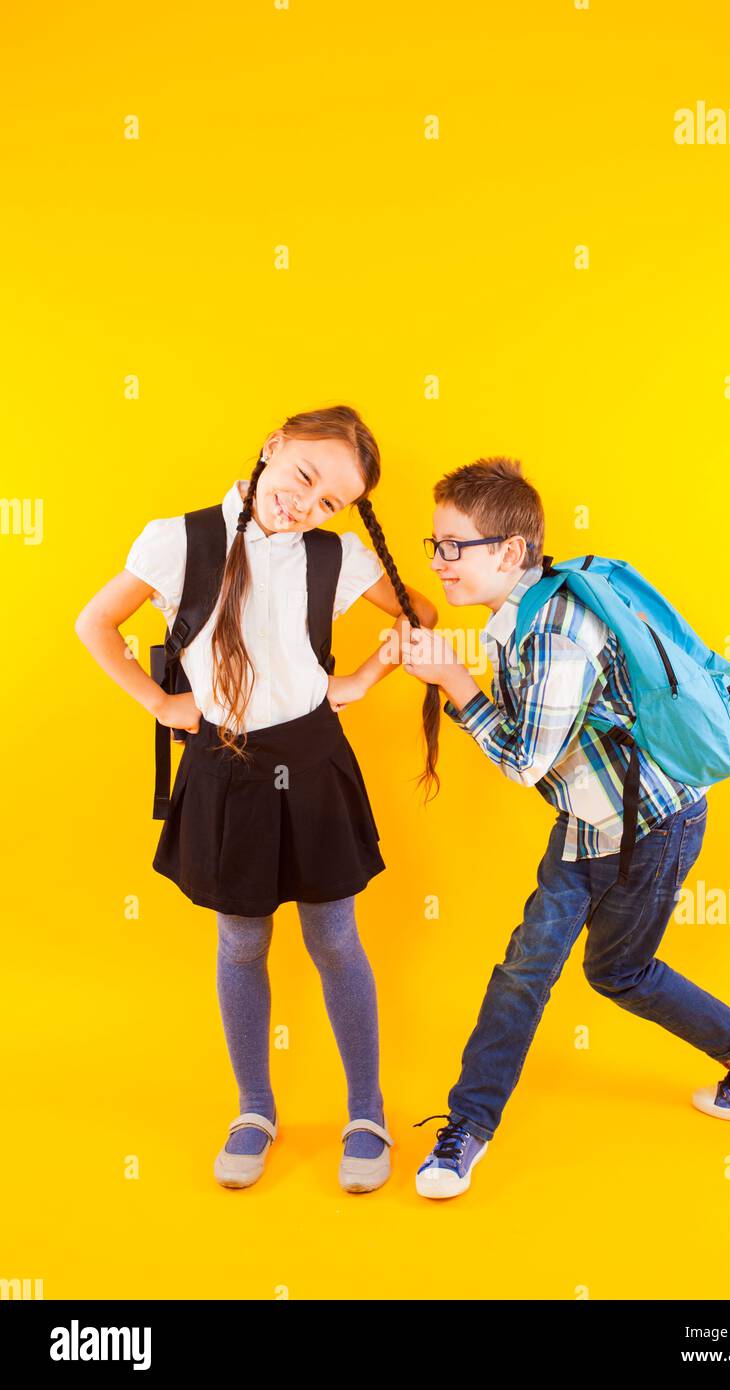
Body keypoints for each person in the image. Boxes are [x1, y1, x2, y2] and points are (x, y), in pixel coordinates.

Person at [402, 456, 730, 1199]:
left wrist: (455, 686)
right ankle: (467, 1130)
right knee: (525, 969)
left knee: (616, 972)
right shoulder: (522, 612)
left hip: (651, 827)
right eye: (434, 544)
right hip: (588, 825)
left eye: (454, 545)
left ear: (512, 550)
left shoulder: (555, 630)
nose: (439, 562)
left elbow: (525, 760)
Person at [74, 405, 439, 1194]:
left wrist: (361, 681)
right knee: (240, 941)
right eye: (305, 476)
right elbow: (94, 622)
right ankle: (254, 1110)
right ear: (275, 445)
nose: (306, 503)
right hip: (226, 769)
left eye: (330, 501)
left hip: (313, 762)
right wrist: (163, 705)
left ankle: (367, 1113)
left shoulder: (334, 557)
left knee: (335, 939)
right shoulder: (177, 539)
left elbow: (422, 614)